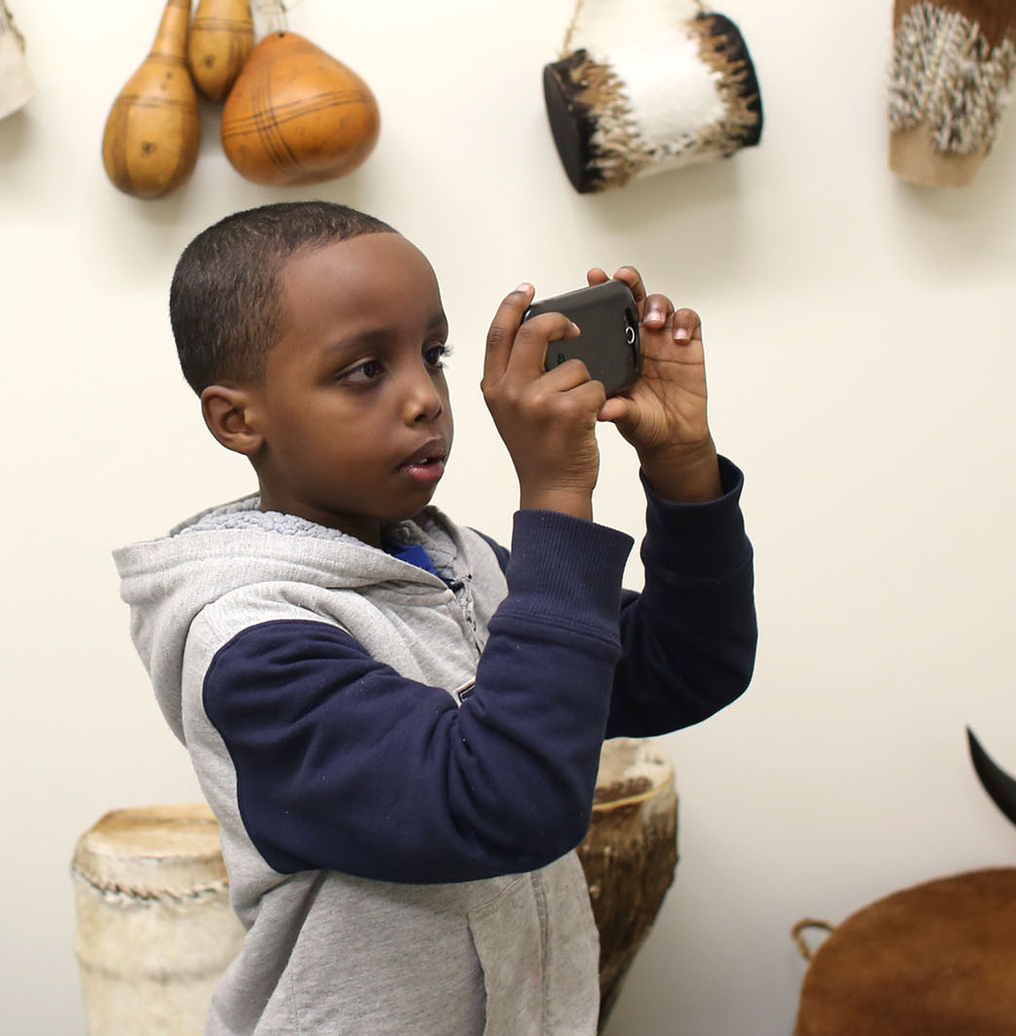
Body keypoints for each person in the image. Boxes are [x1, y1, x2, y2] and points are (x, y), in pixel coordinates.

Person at [115, 201, 756, 1036]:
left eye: (433, 353)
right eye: (364, 371)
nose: (426, 397)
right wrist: (558, 499)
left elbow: (687, 665)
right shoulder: (250, 643)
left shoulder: (457, 564)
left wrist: (681, 467)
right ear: (240, 419)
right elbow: (503, 804)